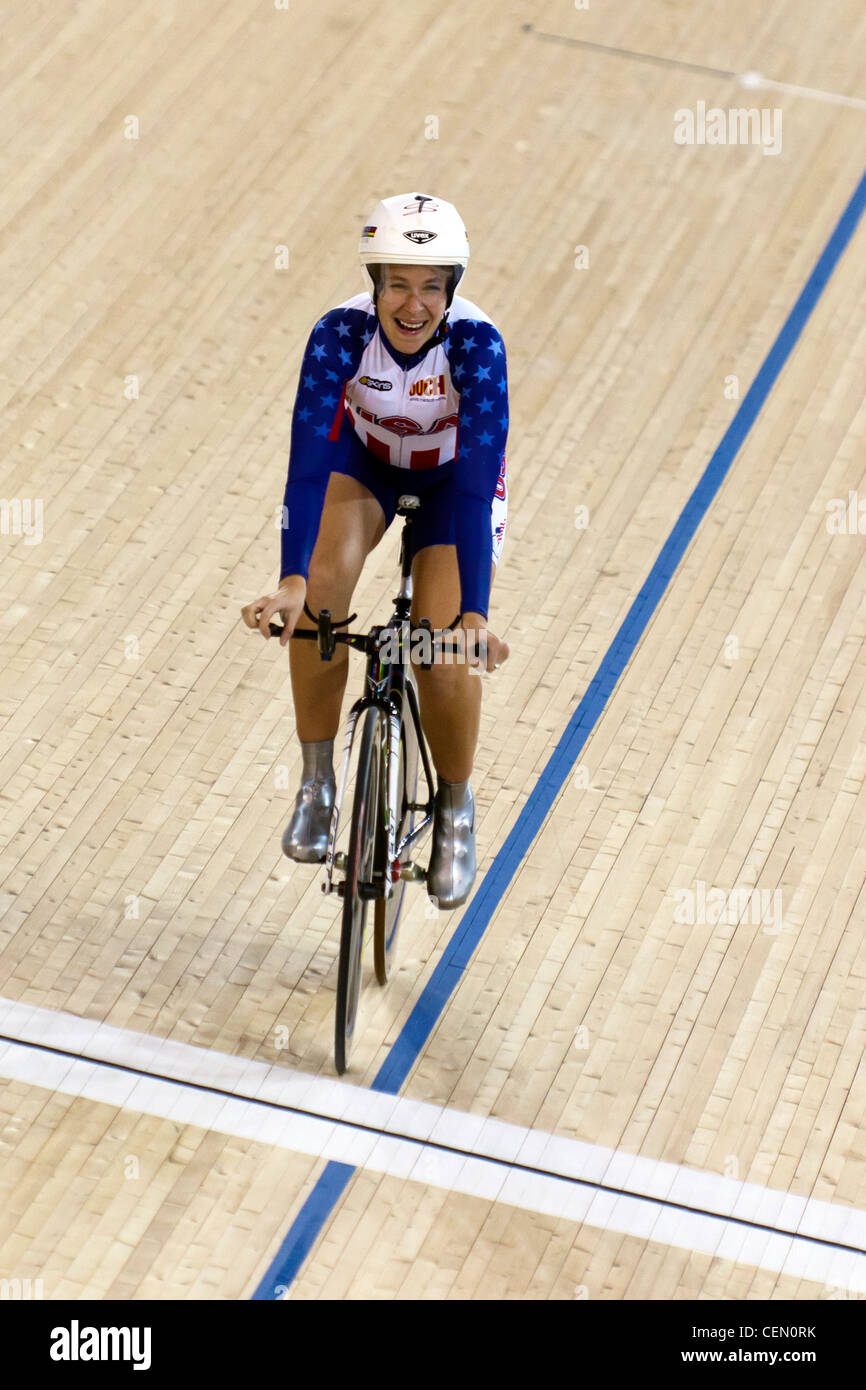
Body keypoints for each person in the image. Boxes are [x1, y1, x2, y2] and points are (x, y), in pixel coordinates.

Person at [241, 191, 510, 909]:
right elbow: (307, 465)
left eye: (430, 287)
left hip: (453, 485)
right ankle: (318, 783)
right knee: (320, 596)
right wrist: (291, 578)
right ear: (375, 283)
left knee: (440, 650)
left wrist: (475, 616)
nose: (413, 304)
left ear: (451, 288)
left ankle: (455, 811)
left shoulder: (477, 346)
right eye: (397, 284)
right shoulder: (339, 333)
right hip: (367, 467)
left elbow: (477, 487)